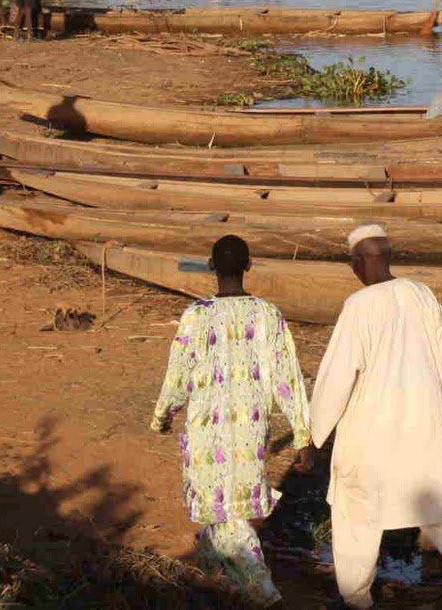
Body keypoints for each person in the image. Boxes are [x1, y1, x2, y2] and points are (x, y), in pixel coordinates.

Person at [297, 225, 442, 610]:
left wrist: (312, 436)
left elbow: (336, 378)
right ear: (387, 256)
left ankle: (357, 597)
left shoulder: (358, 306)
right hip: (424, 430)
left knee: (356, 518)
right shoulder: (420, 294)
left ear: (357, 263)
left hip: (369, 434)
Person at [151, 235, 311, 608]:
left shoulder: (197, 315)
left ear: (210, 266)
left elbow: (178, 374)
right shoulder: (268, 314)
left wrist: (163, 414)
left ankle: (262, 592)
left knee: (226, 511)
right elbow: (288, 379)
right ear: (248, 266)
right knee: (223, 508)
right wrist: (302, 434)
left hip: (206, 430)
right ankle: (218, 581)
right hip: (251, 429)